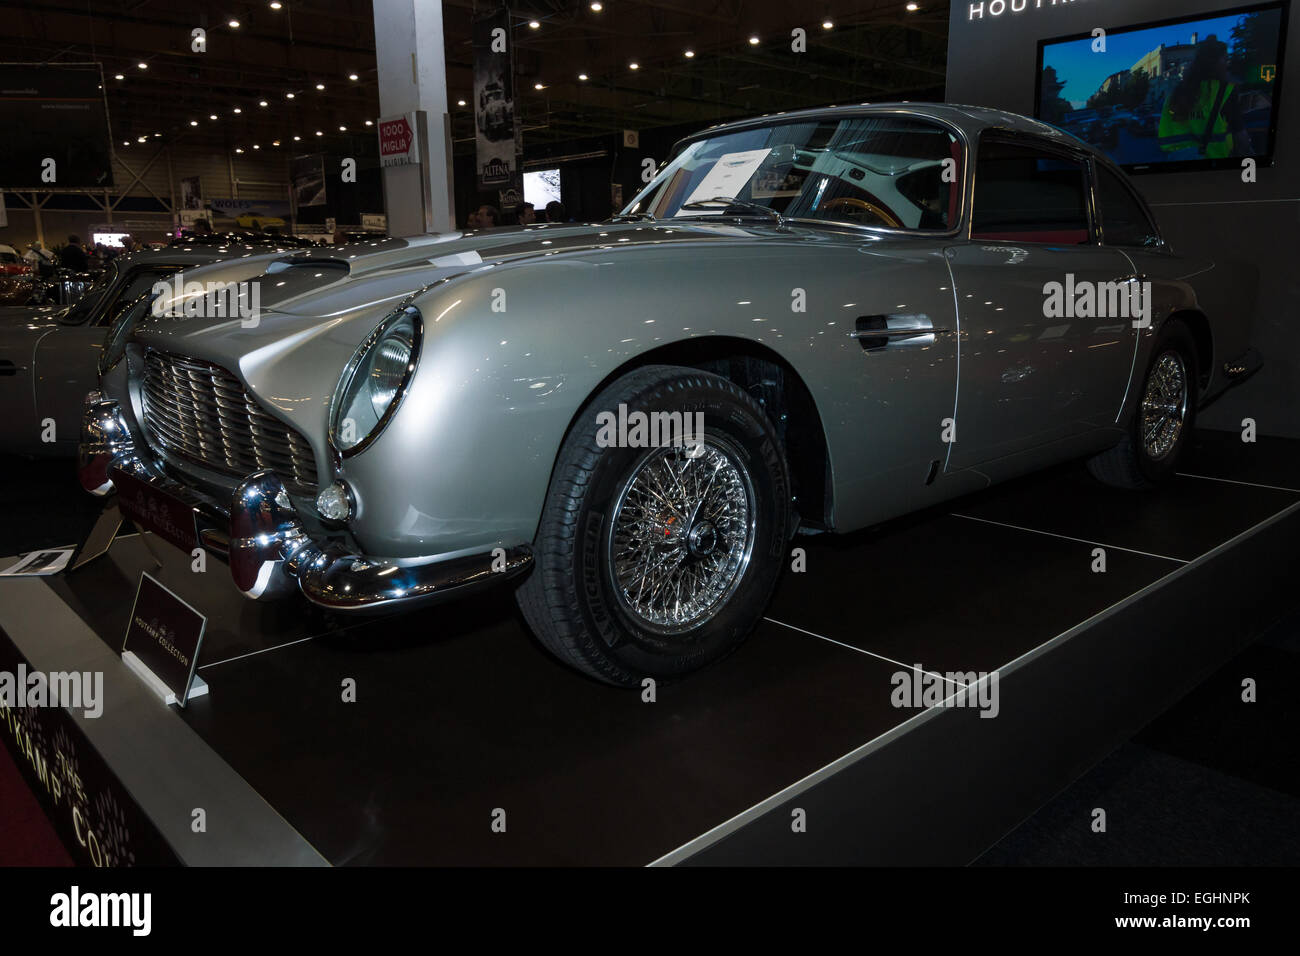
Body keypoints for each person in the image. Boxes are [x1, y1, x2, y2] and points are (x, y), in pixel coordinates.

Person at [1158, 35, 1248, 160]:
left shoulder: (1176, 92)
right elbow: (1241, 137)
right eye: (1225, 59)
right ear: (1214, 62)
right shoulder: (1225, 90)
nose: (1227, 63)